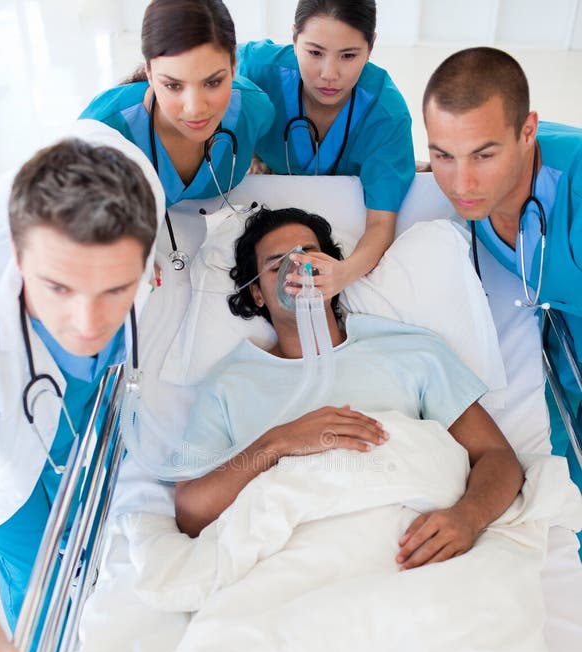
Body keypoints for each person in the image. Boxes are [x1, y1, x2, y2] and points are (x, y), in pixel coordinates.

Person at [175, 206, 524, 567]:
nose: (299, 271)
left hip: (410, 547)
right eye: (278, 266)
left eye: (311, 257)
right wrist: (279, 443)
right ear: (258, 294)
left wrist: (468, 517)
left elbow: (498, 457)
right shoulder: (229, 385)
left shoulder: (412, 352)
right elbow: (190, 513)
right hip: (295, 561)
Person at [0, 126, 164, 652]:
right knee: (39, 600)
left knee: (94, 553)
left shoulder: (144, 207)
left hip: (87, 411)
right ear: (17, 256)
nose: (87, 323)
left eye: (116, 289)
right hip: (6, 464)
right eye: (57, 287)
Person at [422, 46, 582, 500]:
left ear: (527, 131)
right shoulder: (473, 194)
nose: (461, 184)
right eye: (443, 156)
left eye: (483, 156)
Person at [237, 0, 416, 297]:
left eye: (348, 55)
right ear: (294, 38)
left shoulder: (387, 115)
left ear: (371, 46)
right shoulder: (255, 69)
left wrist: (344, 272)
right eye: (315, 53)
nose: (329, 74)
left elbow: (381, 223)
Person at [80, 0, 275, 208]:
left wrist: (255, 159)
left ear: (233, 64)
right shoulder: (102, 132)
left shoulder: (253, 108)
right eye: (173, 85)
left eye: (213, 82)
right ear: (149, 73)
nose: (195, 109)